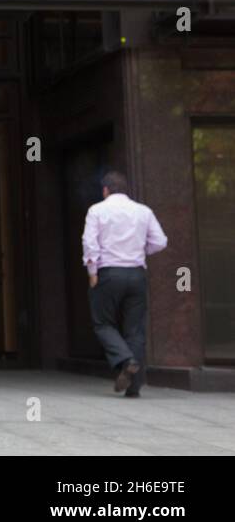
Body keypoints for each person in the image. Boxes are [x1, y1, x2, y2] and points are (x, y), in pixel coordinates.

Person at [82, 170, 168, 397]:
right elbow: (160, 241)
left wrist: (92, 271)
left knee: (103, 323)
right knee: (136, 330)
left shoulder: (97, 210)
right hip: (137, 273)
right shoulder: (143, 211)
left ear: (105, 190)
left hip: (108, 272)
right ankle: (134, 387)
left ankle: (125, 360)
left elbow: (90, 243)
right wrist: (140, 251)